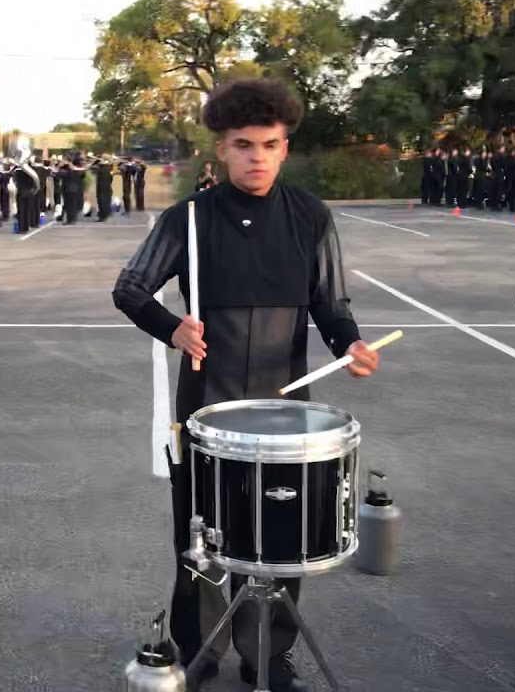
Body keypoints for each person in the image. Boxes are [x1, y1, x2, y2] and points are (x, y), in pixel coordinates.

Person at [112, 78, 380, 692]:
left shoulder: (311, 217)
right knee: (202, 540)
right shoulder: (189, 220)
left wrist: (351, 345)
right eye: (243, 144)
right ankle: (199, 650)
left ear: (285, 149)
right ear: (222, 151)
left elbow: (330, 304)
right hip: (207, 407)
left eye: (269, 144)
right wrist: (172, 328)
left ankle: (268, 651)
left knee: (280, 540)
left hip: (286, 410)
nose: (256, 156)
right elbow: (129, 288)